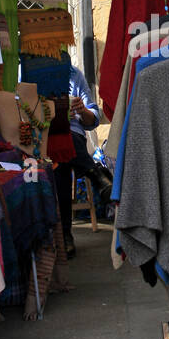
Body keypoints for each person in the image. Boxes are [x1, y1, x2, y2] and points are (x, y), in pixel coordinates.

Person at [54, 64, 114, 257]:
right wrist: (56, 113)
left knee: (66, 147)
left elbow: (93, 119)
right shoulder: (27, 70)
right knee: (61, 158)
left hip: (73, 135)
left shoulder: (73, 74)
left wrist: (81, 111)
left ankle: (65, 236)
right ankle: (97, 175)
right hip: (47, 135)